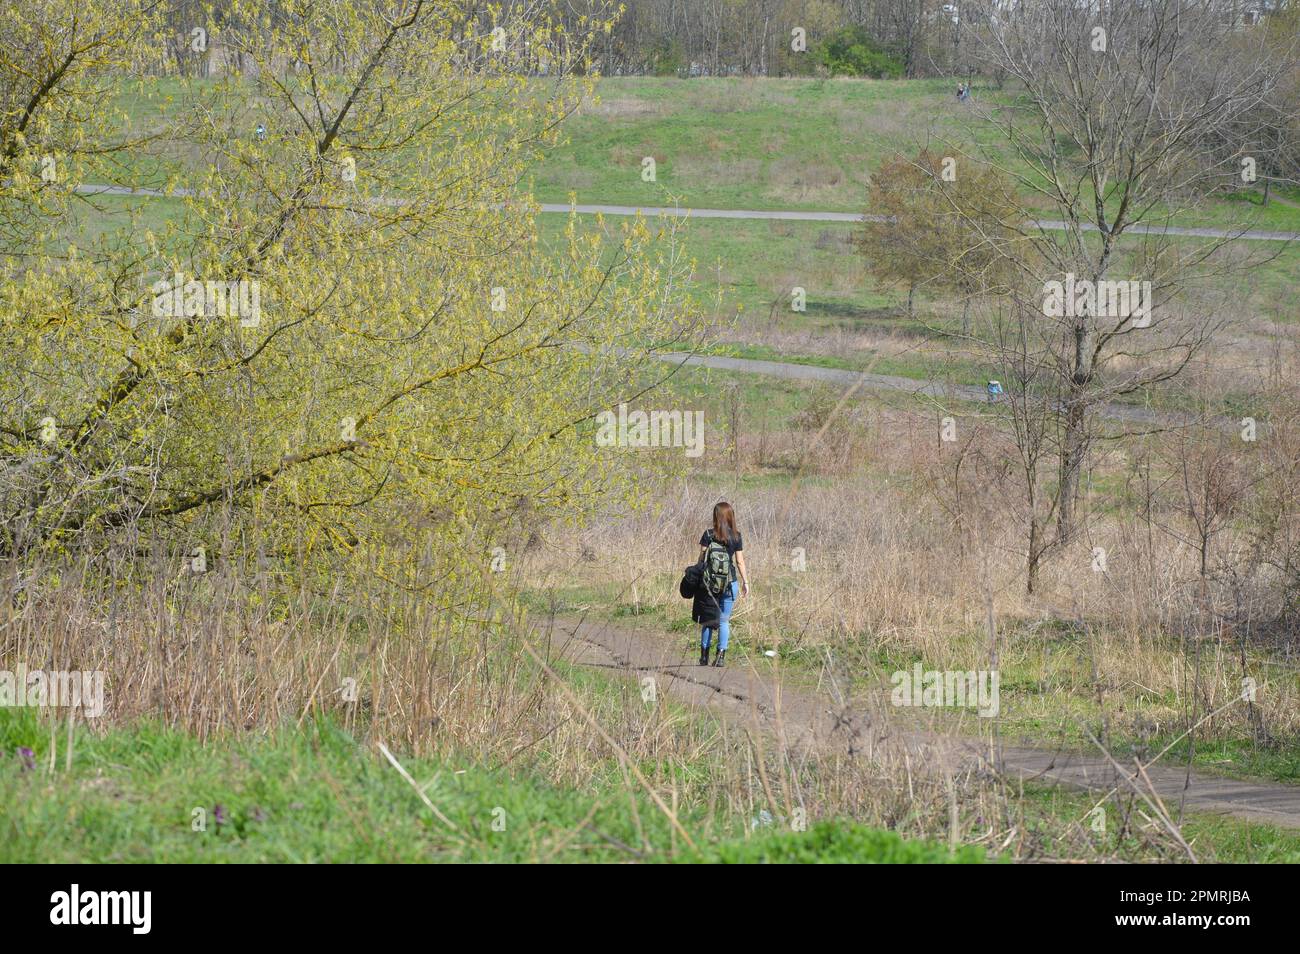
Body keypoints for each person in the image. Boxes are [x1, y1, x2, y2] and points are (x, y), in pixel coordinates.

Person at [696, 501, 749, 667]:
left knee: (707, 620)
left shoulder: (708, 534)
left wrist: (697, 577)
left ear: (715, 516)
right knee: (724, 620)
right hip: (729, 582)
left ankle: (704, 656)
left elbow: (701, 559)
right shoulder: (736, 536)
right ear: (731, 516)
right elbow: (740, 562)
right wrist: (745, 582)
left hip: (709, 585)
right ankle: (720, 657)